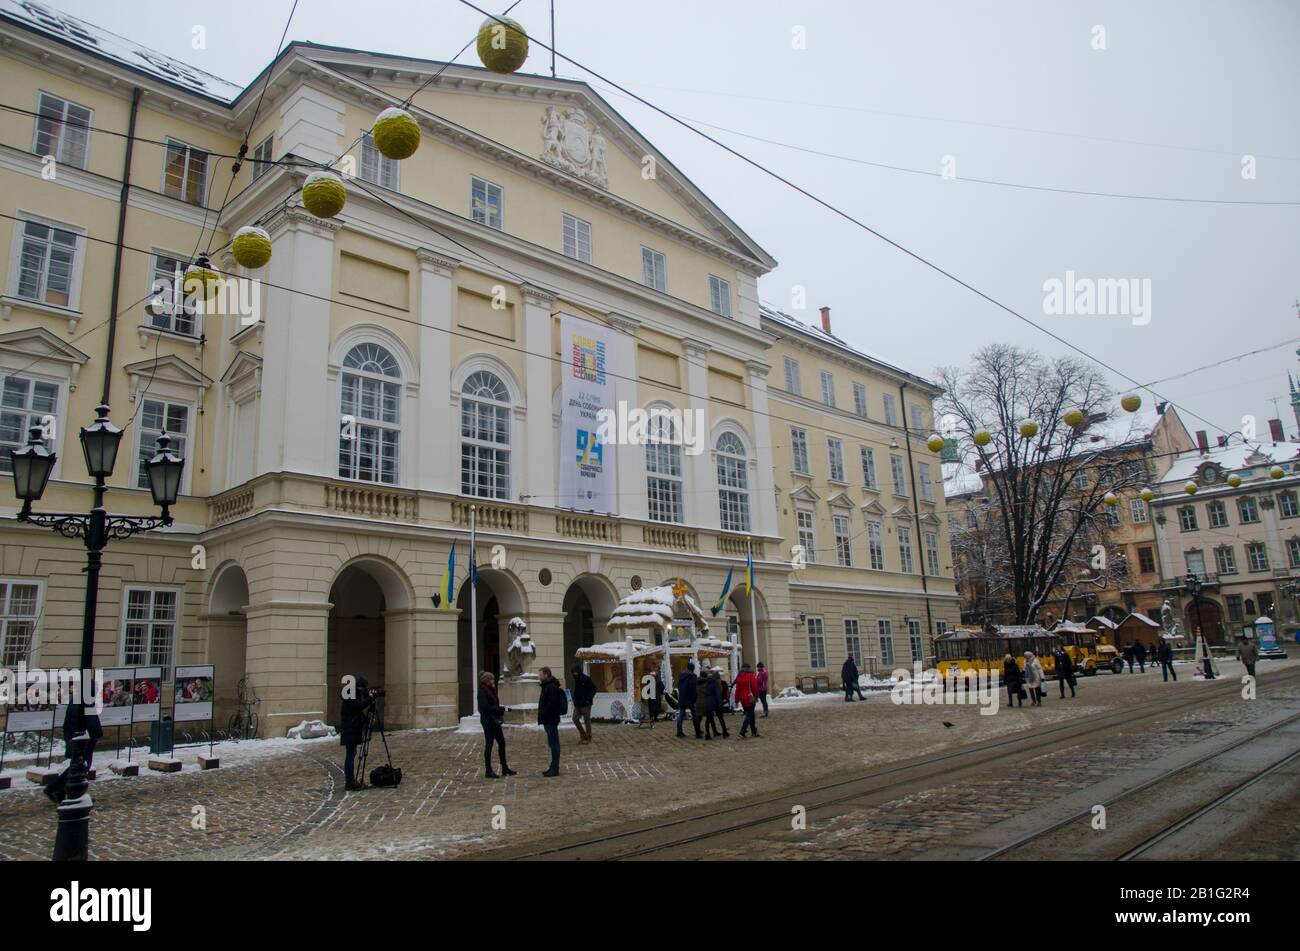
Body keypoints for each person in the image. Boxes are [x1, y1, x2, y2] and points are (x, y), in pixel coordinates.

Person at [45, 704, 103, 804]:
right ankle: (55, 789)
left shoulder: (78, 698)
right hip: (83, 737)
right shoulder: (86, 697)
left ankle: (61, 791)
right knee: (81, 765)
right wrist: (95, 734)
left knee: (78, 765)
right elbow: (91, 718)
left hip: (77, 736)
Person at [477, 671, 516, 779]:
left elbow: (493, 704)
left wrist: (499, 709)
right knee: (489, 745)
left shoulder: (491, 690)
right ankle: (488, 770)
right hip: (488, 721)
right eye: (491, 680)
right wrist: (499, 710)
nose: (493, 681)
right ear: (487, 681)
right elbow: (485, 707)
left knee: (502, 743)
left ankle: (504, 767)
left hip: (495, 720)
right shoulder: (482, 691)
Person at [339, 676, 372, 791]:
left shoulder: (349, 694)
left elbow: (355, 710)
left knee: (351, 754)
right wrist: (370, 698)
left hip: (350, 728)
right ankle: (350, 781)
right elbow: (357, 707)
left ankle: (351, 780)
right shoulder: (351, 695)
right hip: (350, 728)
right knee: (350, 755)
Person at [537, 666, 565, 777]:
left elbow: (551, 704)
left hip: (551, 719)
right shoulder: (547, 686)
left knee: (554, 744)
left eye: (541, 674)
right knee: (552, 743)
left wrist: (544, 714)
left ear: (546, 675)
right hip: (548, 719)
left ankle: (555, 768)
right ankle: (553, 766)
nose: (539, 677)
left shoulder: (551, 687)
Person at [570, 664, 597, 744]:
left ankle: (588, 736)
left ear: (579, 671)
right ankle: (583, 734)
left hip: (586, 704)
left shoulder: (586, 679)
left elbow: (593, 689)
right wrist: (574, 698)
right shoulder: (576, 680)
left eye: (575, 672)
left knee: (586, 720)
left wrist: (588, 699)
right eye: (573, 672)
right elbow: (577, 690)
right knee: (575, 718)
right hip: (578, 704)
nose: (574, 674)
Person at [735, 662, 761, 737]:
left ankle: (753, 731)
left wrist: (736, 701)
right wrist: (756, 697)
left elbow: (737, 690)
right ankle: (742, 731)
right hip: (750, 698)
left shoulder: (739, 677)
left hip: (743, 699)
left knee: (750, 714)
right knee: (749, 715)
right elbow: (755, 688)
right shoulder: (751, 676)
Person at [676, 661, 702, 738]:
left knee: (681, 714)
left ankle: (679, 731)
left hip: (682, 697)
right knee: (695, 715)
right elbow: (693, 688)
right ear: (693, 669)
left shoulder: (681, 676)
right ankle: (697, 732)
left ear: (687, 668)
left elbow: (679, 687)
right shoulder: (693, 676)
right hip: (690, 698)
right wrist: (694, 699)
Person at [699, 669, 722, 739]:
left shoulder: (702, 683)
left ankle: (710, 732)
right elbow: (717, 694)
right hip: (711, 702)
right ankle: (708, 733)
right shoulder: (712, 683)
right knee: (709, 718)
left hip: (704, 702)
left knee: (709, 718)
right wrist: (719, 702)